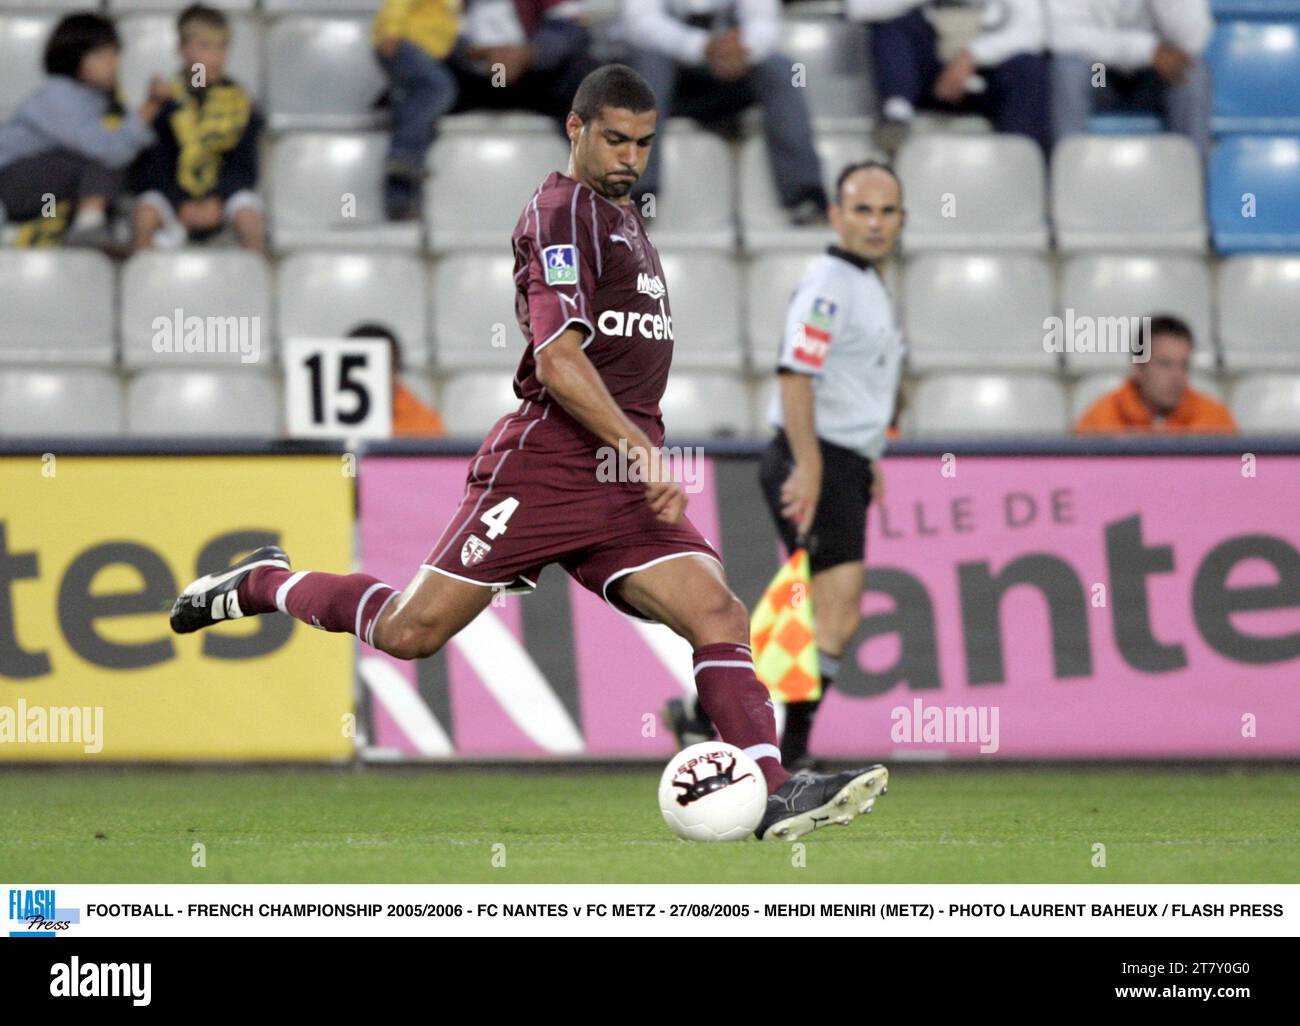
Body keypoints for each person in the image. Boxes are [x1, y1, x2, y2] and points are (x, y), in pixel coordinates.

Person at [169, 64, 887, 842]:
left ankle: (773, 786)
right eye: (615, 139)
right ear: (575, 129)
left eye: (644, 143)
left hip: (618, 476)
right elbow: (559, 361)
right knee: (413, 633)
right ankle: (265, 582)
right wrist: (642, 455)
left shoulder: (623, 217)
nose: (630, 157)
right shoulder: (559, 213)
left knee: (718, 611)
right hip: (548, 464)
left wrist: (636, 456)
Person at [665, 161, 906, 773]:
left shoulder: (867, 282)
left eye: (887, 212)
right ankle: (789, 752)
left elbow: (858, 382)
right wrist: (810, 465)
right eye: (862, 210)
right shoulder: (830, 286)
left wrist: (868, 457)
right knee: (836, 609)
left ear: (901, 219)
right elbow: (797, 373)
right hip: (814, 455)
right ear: (836, 216)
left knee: (814, 610)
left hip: (841, 458)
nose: (875, 224)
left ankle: (706, 715)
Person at [375, 0, 597, 221]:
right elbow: (431, 27)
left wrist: (530, 54)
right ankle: (401, 190)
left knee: (586, 76)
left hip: (531, 74)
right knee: (426, 87)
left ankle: (597, 188)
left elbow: (572, 29)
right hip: (469, 75)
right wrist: (473, 54)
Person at [621, 0, 829, 224]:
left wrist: (744, 48)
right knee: (647, 67)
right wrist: (702, 46)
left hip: (733, 72)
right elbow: (640, 22)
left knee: (783, 69)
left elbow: (766, 22)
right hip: (674, 81)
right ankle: (636, 194)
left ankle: (805, 195)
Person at [0, 12, 167, 249]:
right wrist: (151, 106)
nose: (113, 63)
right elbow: (109, 150)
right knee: (101, 157)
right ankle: (89, 226)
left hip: (44, 190)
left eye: (115, 54)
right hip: (10, 184)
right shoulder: (58, 95)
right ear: (74, 56)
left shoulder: (98, 99)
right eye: (100, 54)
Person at [132, 4, 265, 253]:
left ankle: (257, 284)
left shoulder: (240, 102)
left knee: (249, 216)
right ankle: (141, 284)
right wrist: (180, 202)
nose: (215, 57)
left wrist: (217, 200)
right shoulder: (164, 100)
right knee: (145, 214)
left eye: (222, 47)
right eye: (204, 47)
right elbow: (152, 166)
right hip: (172, 197)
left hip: (222, 197)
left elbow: (244, 167)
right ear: (182, 50)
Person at [847, 0, 1050, 155]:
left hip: (985, 75)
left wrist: (972, 55)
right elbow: (859, 7)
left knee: (1028, 67)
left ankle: (1018, 163)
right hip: (921, 76)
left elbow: (1032, 32)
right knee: (892, 26)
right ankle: (896, 120)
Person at [1047, 0, 1213, 165]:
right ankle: (1071, 175)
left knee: (1191, 73)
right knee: (1069, 70)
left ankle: (1191, 181)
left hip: (1155, 74)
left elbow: (1194, 40)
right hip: (1100, 73)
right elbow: (1066, 36)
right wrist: (1147, 50)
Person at [1074, 315, 1237, 434]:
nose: (1177, 376)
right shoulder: (1100, 421)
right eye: (1164, 364)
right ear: (1138, 367)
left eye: (1184, 365)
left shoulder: (1216, 420)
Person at [347, 323, 447, 437]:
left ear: (396, 370)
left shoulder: (424, 423)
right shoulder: (325, 416)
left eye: (381, 369)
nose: (367, 381)